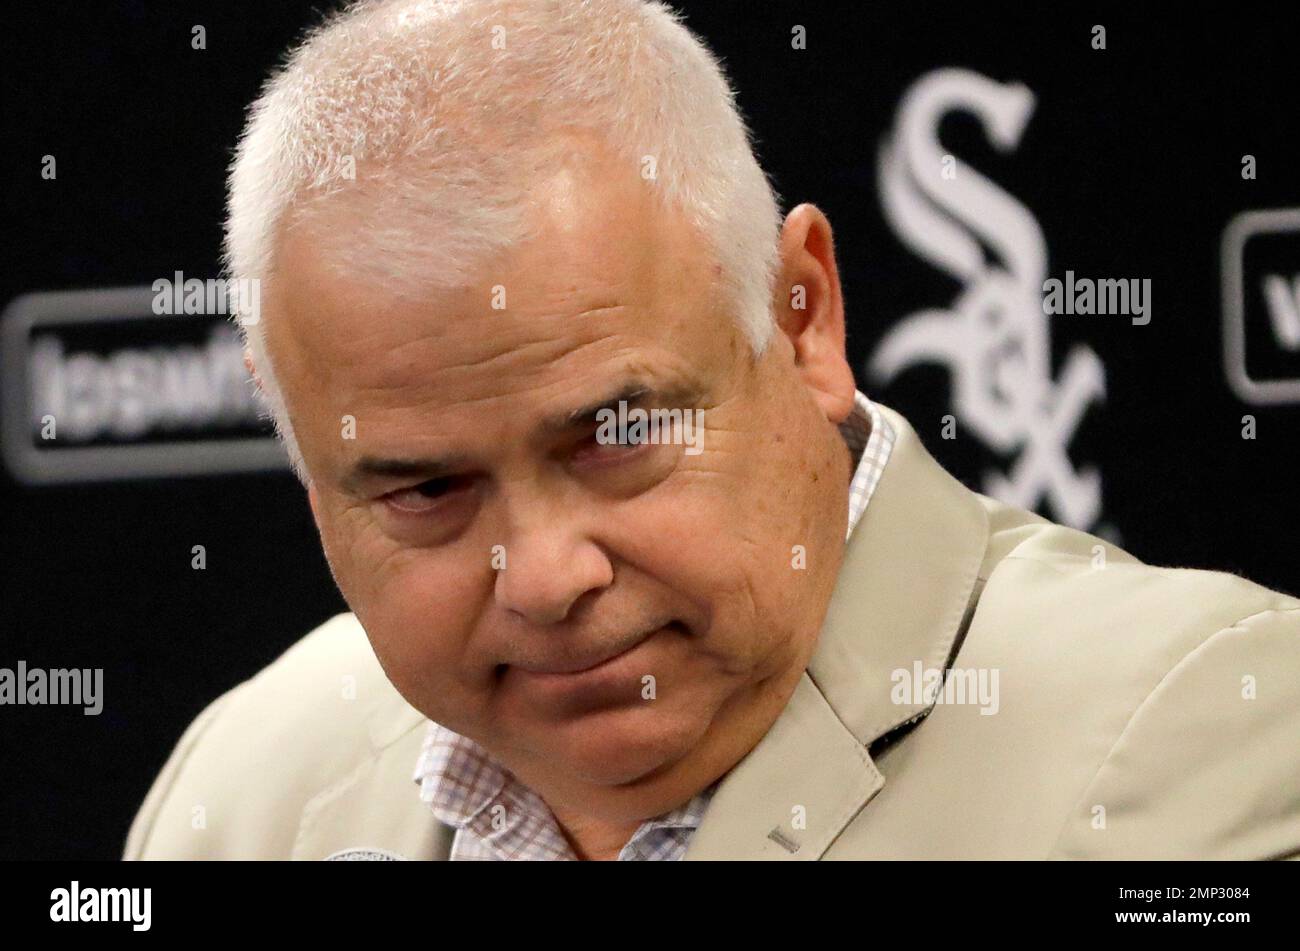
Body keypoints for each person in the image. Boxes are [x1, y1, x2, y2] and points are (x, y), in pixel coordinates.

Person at [125, 0, 1300, 861]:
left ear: (803, 321)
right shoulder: (240, 797)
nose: (542, 577)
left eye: (617, 432)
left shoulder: (1205, 724)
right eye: (426, 492)